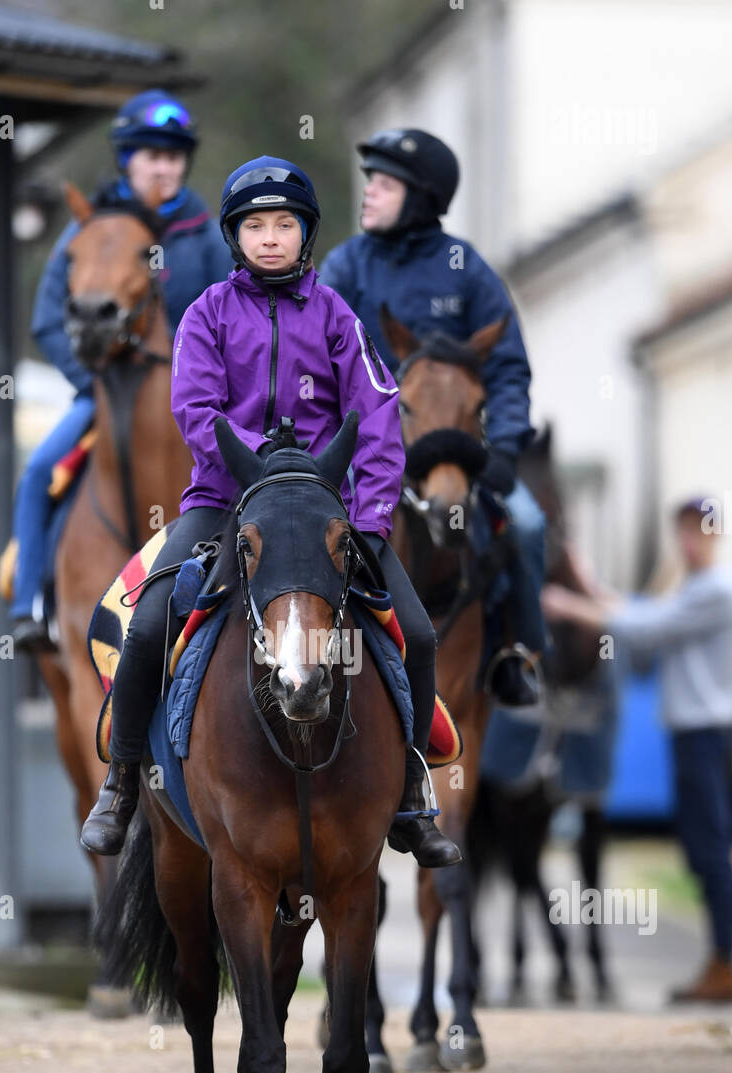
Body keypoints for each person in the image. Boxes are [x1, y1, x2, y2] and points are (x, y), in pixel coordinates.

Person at [80, 156, 463, 870]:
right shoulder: (205, 316)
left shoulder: (339, 318)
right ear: (234, 237)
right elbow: (197, 414)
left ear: (305, 233)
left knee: (415, 630)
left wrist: (372, 518)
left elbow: (377, 419)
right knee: (151, 624)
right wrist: (270, 466)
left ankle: (411, 790)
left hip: (330, 517)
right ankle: (123, 782)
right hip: (224, 506)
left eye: (283, 224)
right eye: (254, 225)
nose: (268, 237)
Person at [319, 128, 546, 706]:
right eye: (370, 181)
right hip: (366, 458)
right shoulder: (345, 266)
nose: (369, 193)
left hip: (456, 459)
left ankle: (515, 655)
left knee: (527, 525)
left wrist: (504, 455)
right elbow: (318, 365)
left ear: (421, 197)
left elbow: (510, 371)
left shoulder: (466, 268)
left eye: (385, 185)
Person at [10, 90, 231, 652]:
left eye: (175, 156)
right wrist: (95, 385)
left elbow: (232, 318)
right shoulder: (90, 228)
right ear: (127, 159)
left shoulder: (206, 229)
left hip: (194, 400)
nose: (165, 166)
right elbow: (47, 320)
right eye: (152, 154)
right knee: (38, 472)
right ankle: (30, 604)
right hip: (105, 392)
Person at [542, 498, 732, 1003]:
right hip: (691, 734)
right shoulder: (696, 589)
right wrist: (589, 582)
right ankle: (719, 961)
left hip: (705, 735)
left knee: (712, 851)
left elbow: (643, 627)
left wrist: (571, 605)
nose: (687, 542)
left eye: (697, 532)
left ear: (715, 535)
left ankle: (725, 964)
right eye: (681, 532)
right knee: (701, 850)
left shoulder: (718, 590)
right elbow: (643, 613)